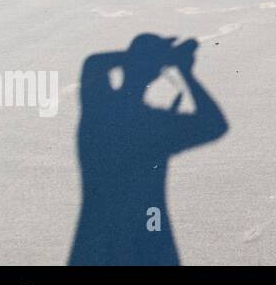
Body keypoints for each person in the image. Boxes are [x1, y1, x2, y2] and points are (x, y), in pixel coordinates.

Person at [67, 33, 228, 265]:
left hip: (95, 238)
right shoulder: (159, 126)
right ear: (157, 73)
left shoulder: (98, 108)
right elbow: (215, 125)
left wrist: (143, 58)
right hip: (150, 236)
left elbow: (94, 62)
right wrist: (185, 72)